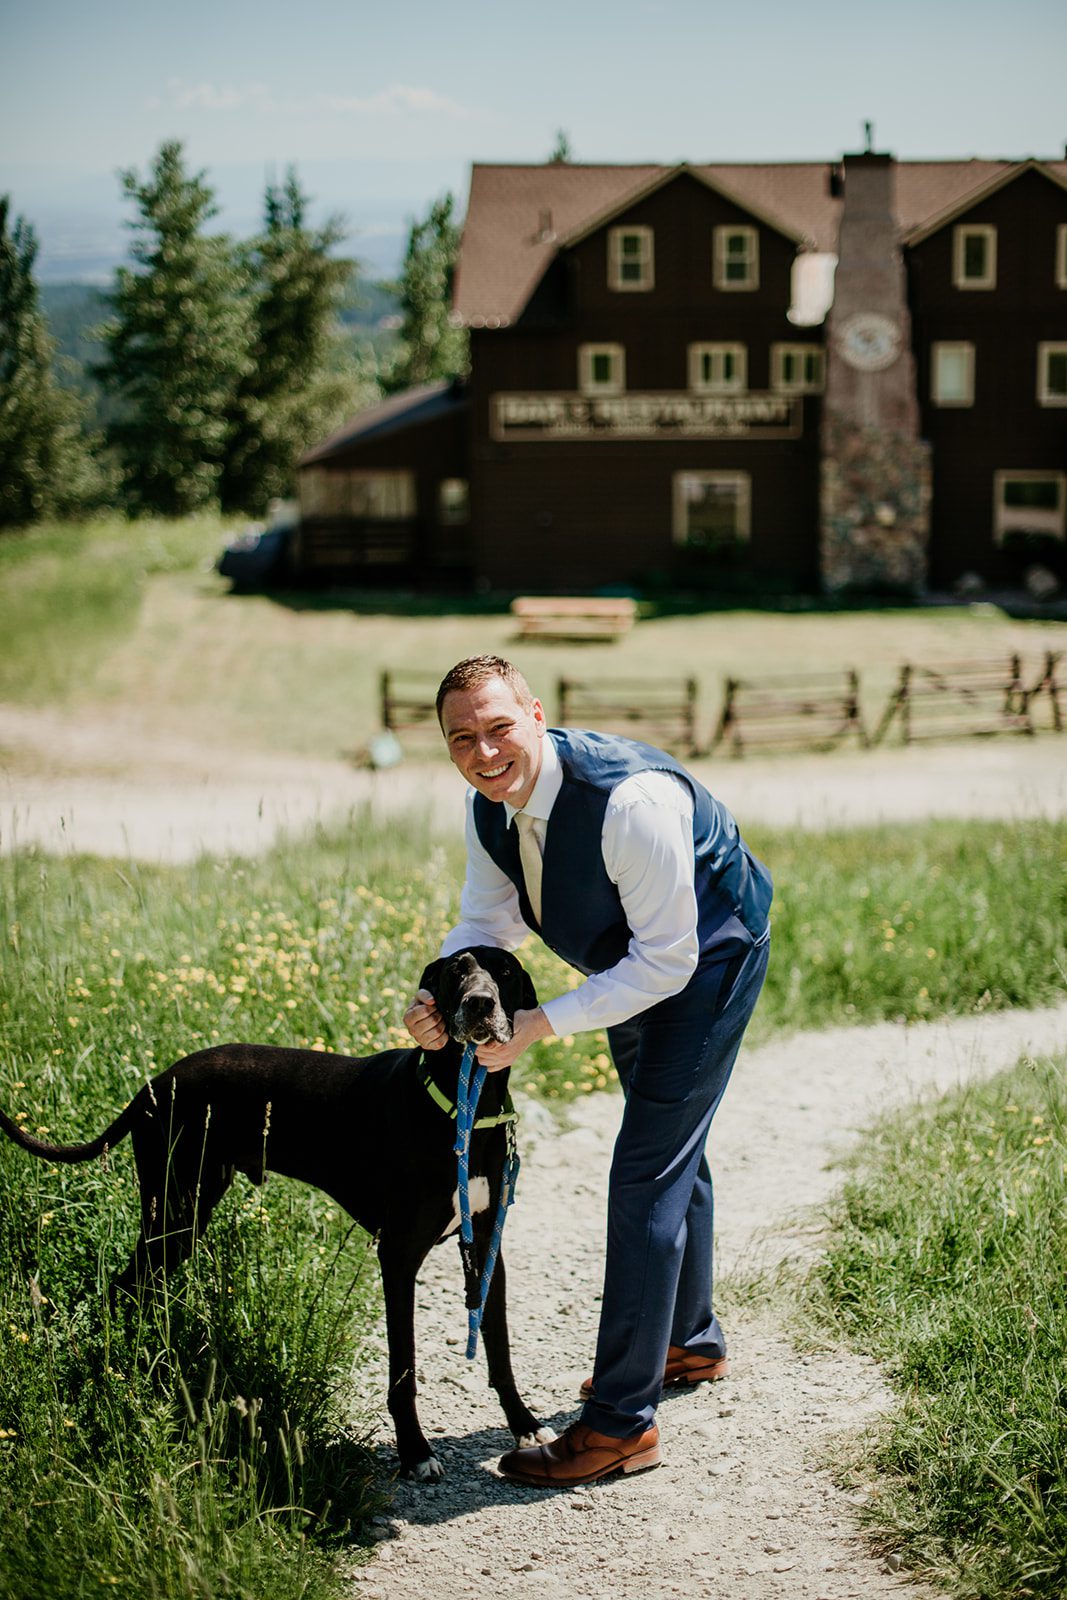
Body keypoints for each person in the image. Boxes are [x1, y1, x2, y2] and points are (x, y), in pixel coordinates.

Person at [403, 654, 772, 1487]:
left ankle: (618, 1426)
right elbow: (485, 926)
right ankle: (687, 1341)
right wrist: (436, 993)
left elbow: (668, 961)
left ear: (537, 716)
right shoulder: (489, 807)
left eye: (499, 728)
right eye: (461, 739)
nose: (483, 752)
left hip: (707, 959)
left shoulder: (630, 803)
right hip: (629, 964)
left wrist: (539, 1024)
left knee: (645, 1171)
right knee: (668, 1143)